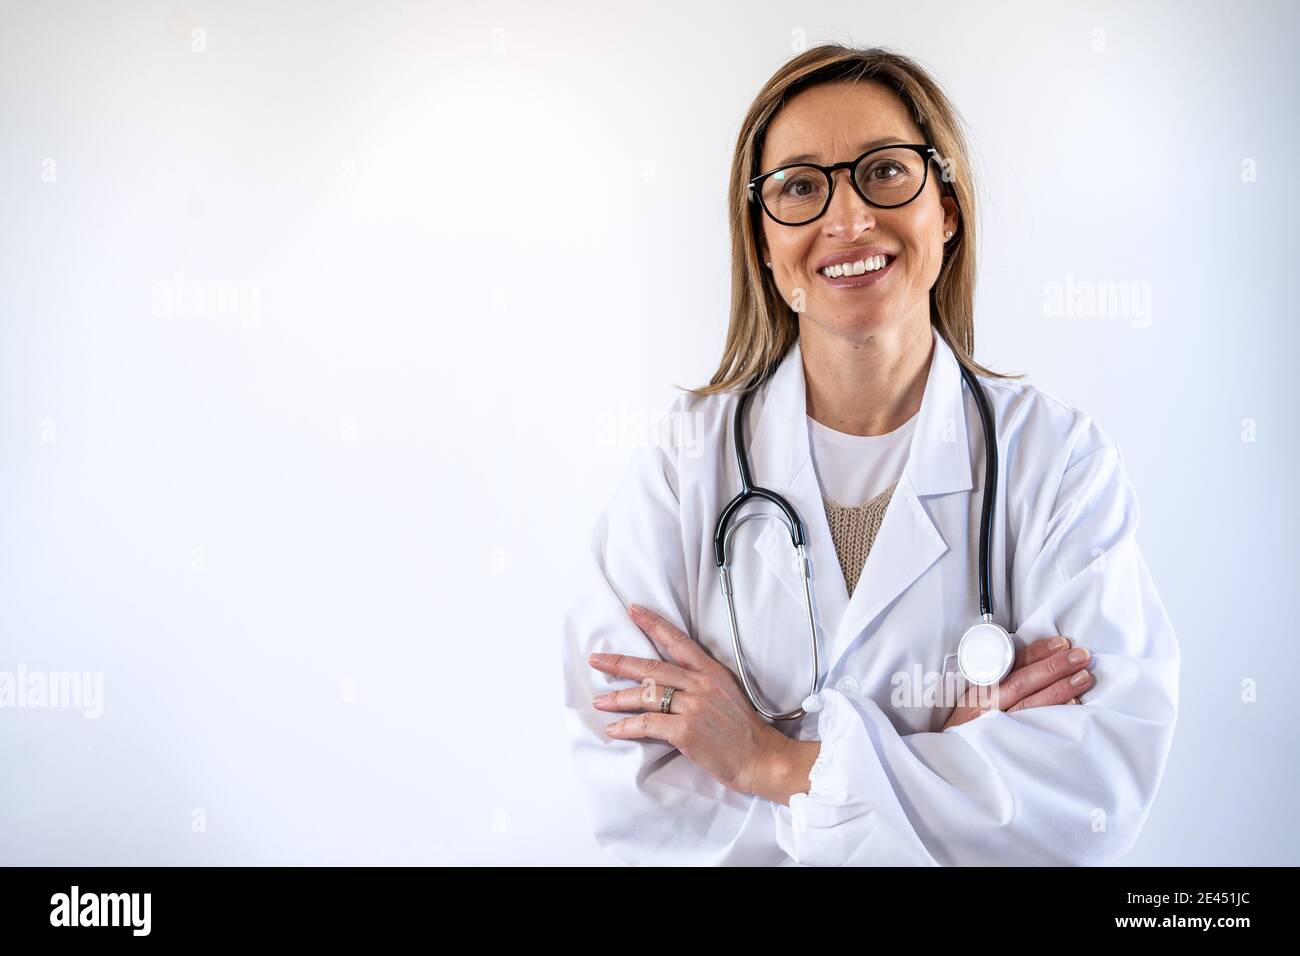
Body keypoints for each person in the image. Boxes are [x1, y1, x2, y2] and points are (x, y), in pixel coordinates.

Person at [560, 45, 1179, 866]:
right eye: (800, 187)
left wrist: (767, 760)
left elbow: (1089, 791)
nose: (848, 219)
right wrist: (937, 772)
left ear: (947, 207)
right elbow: (631, 792)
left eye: (885, 172)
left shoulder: (1057, 463)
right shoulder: (685, 464)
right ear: (764, 244)